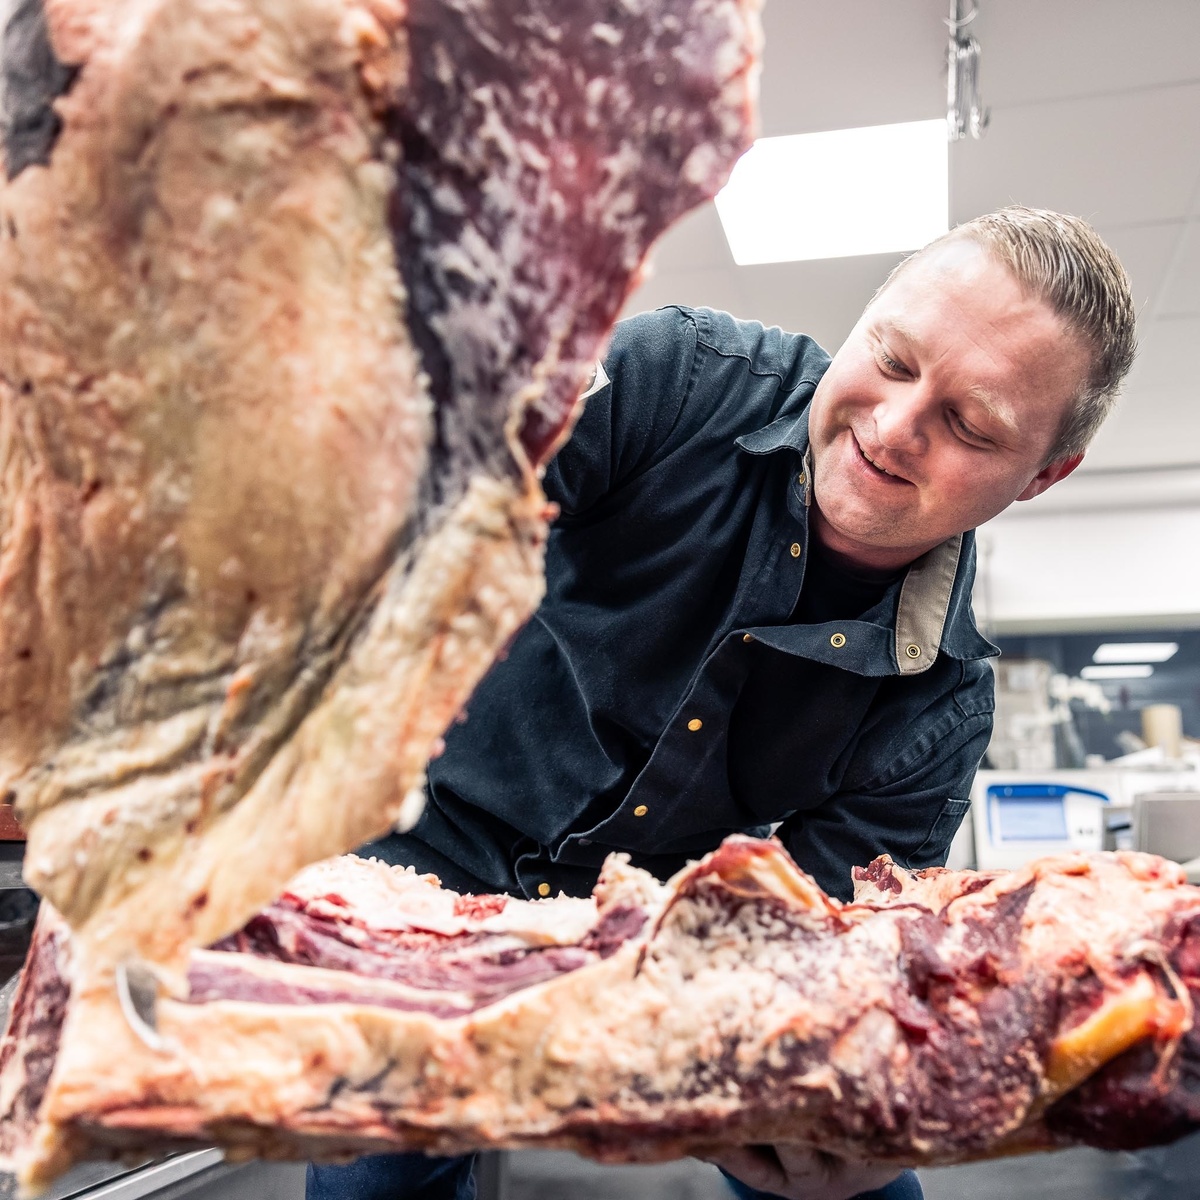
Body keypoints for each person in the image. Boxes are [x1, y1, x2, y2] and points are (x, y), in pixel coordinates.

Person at [306, 206, 1137, 1200]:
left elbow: (819, 969)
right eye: (894, 357)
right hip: (423, 861)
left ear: (1044, 474)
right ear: (867, 317)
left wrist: (813, 1100)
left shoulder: (937, 711)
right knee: (373, 1163)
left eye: (971, 425)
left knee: (849, 1177)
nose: (895, 427)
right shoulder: (676, 381)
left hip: (671, 951)